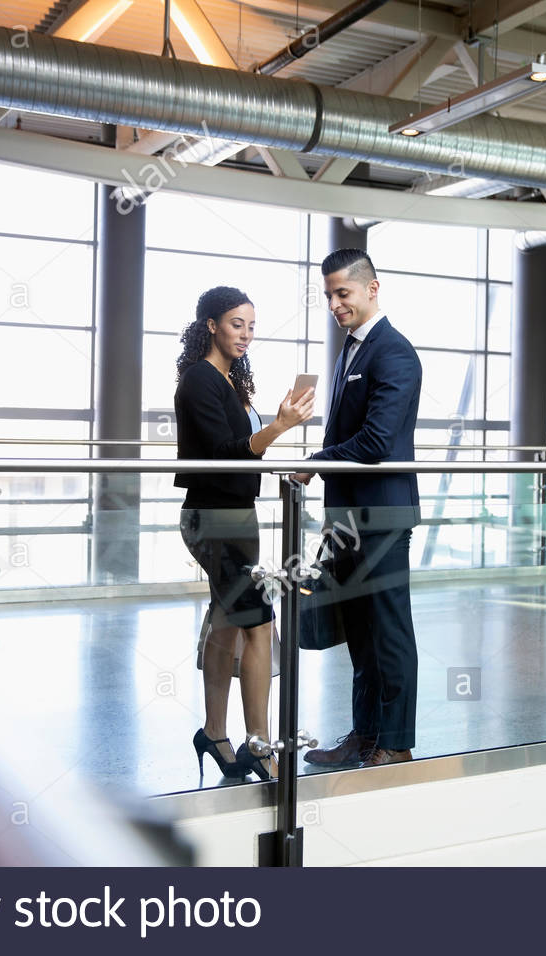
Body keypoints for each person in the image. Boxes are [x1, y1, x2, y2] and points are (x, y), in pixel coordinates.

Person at [176, 286, 315, 782]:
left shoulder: (229, 381)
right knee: (258, 622)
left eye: (252, 326)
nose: (246, 334)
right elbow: (224, 453)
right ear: (211, 324)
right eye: (237, 324)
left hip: (236, 517)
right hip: (213, 520)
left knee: (228, 621)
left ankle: (215, 733)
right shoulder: (199, 380)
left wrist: (273, 438)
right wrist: (278, 427)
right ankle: (260, 746)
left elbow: (240, 450)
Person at [296, 249, 422, 768]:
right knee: (361, 634)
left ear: (373, 288)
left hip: (382, 515)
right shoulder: (352, 349)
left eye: (342, 293)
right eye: (328, 294)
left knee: (388, 630)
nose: (334, 303)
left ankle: (395, 742)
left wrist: (316, 460)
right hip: (348, 517)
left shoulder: (394, 353)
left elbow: (375, 442)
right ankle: (364, 735)